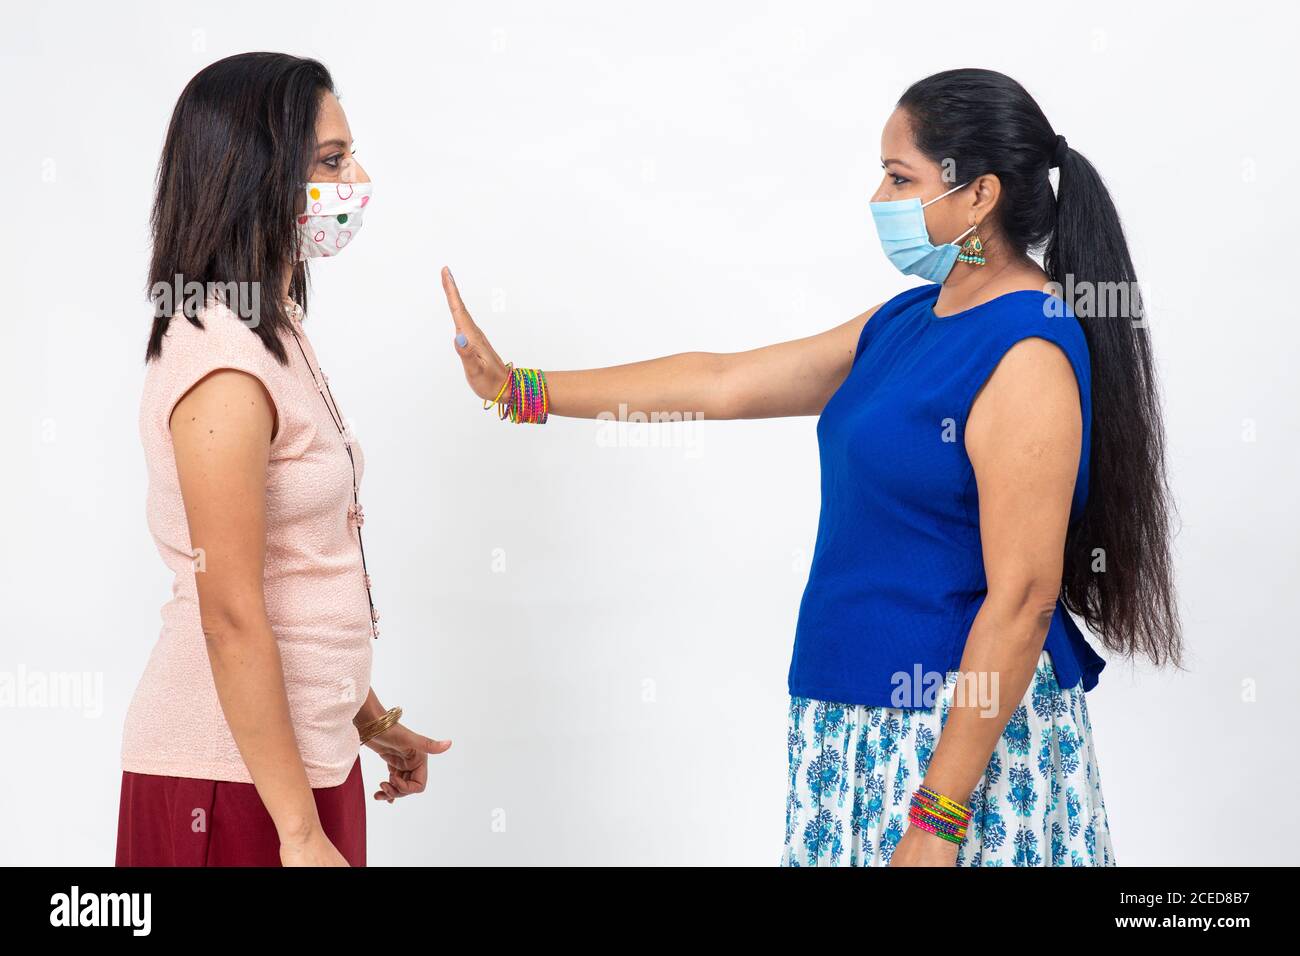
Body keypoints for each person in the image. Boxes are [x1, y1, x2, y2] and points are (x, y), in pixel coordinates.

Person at [443, 68, 1181, 867]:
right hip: (853, 726)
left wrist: (937, 818)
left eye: (901, 177)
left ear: (978, 197)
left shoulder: (1025, 348)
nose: (879, 198)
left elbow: (1025, 599)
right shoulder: (909, 319)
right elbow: (722, 382)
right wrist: (521, 389)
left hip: (953, 751)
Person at [117, 52, 450, 867]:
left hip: (303, 764)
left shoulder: (275, 330)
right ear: (256, 177)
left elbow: (296, 573)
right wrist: (298, 835)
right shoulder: (223, 364)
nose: (357, 177)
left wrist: (365, 717)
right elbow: (230, 612)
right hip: (229, 781)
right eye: (331, 161)